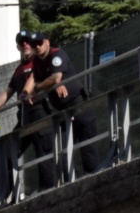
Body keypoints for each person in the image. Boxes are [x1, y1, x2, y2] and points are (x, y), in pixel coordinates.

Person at [23, 32, 101, 177]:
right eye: (34, 45)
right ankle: (69, 182)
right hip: (61, 111)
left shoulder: (56, 54)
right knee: (62, 151)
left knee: (88, 146)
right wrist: (52, 85)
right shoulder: (37, 62)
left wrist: (42, 86)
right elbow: (41, 80)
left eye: (40, 43)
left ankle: (93, 177)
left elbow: (55, 77)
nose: (37, 47)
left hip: (79, 104)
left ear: (47, 42)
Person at [0, 31, 55, 198]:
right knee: (7, 154)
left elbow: (45, 78)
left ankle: (48, 190)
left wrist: (29, 92)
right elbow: (7, 93)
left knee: (44, 151)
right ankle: (9, 196)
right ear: (18, 47)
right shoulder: (18, 70)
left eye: (28, 41)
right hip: (24, 118)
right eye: (22, 43)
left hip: (41, 112)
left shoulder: (41, 61)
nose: (26, 45)